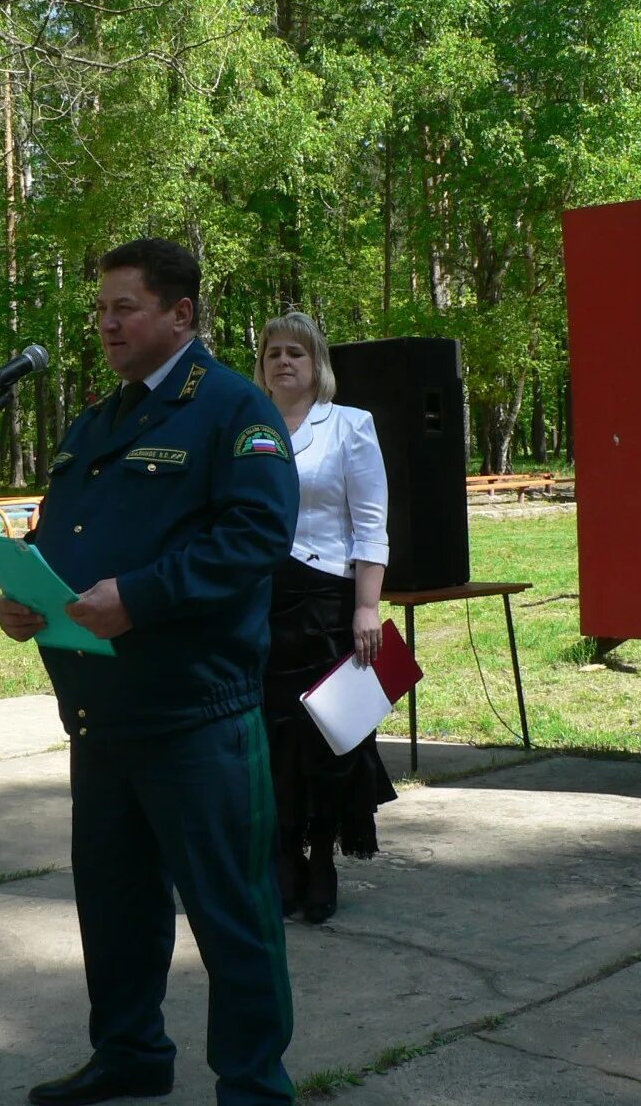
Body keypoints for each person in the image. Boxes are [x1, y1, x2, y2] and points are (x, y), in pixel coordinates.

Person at [0, 238, 300, 1106]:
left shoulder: (233, 411)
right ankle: (129, 1053)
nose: (106, 325)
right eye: (100, 310)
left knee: (230, 913)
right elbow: (64, 538)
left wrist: (142, 597)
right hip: (101, 712)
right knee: (116, 907)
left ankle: (253, 1084)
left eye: (124, 308)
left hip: (197, 713)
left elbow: (254, 540)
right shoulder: (99, 421)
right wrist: (24, 597)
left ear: (180, 314)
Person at [254, 311, 396, 924]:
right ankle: (282, 852)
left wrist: (368, 605)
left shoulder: (350, 427)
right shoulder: (245, 428)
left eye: (297, 353)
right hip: (259, 600)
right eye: (273, 353)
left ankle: (322, 858)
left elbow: (371, 523)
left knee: (327, 737)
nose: (284, 362)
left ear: (318, 367)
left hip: (327, 602)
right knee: (272, 737)